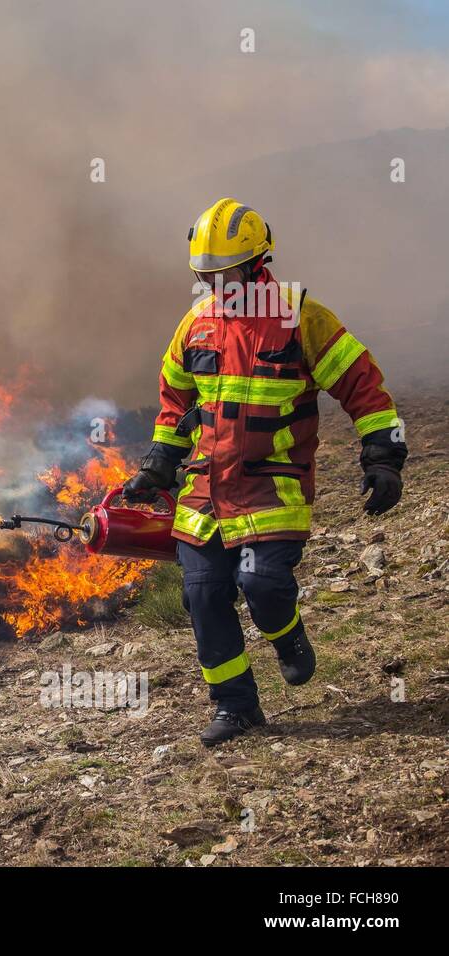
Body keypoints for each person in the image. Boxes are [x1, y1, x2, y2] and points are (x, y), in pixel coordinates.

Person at [124, 198, 407, 746]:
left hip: (271, 487)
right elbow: (175, 403)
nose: (215, 286)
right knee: (203, 596)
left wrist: (382, 456)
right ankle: (236, 707)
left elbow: (362, 385)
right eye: (205, 277)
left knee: (262, 583)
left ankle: (287, 635)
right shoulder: (195, 326)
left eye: (225, 274)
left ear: (257, 263)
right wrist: (158, 464)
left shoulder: (302, 318)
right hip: (205, 494)